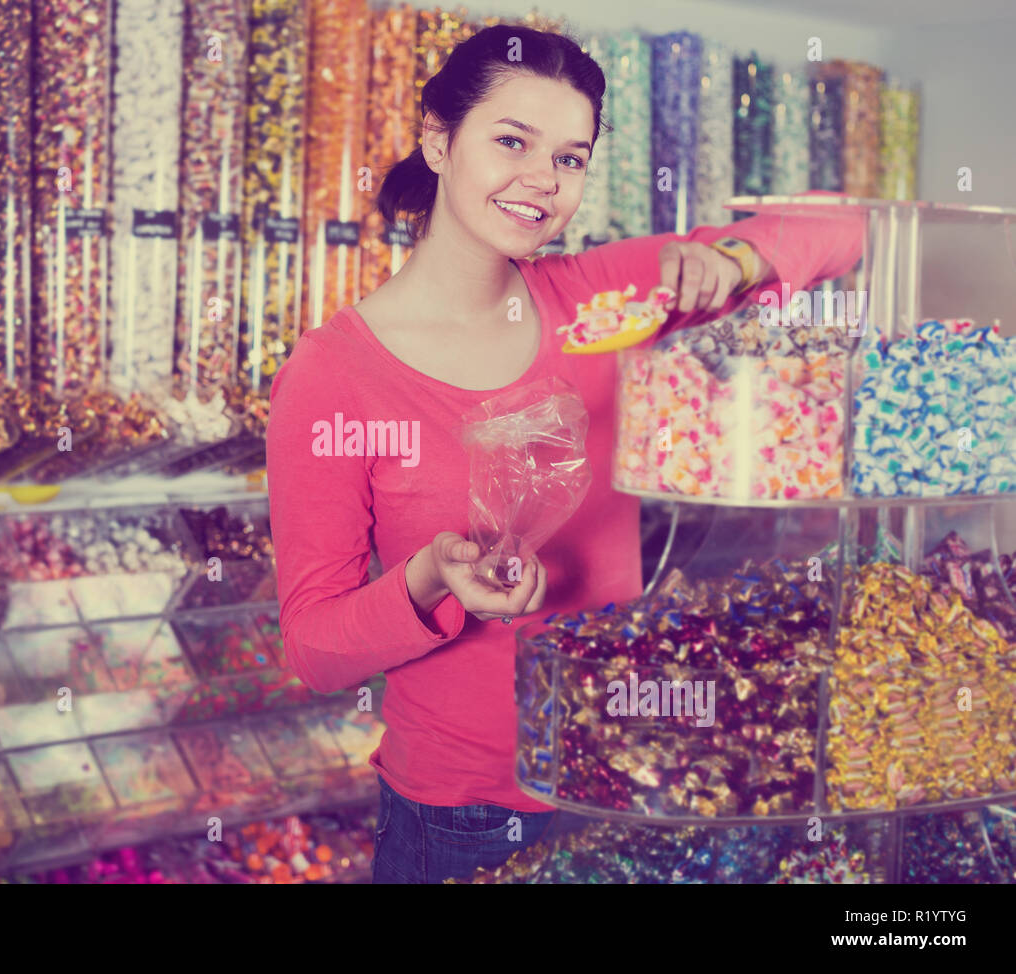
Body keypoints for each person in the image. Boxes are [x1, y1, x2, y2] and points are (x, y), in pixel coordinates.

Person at [265, 25, 862, 884]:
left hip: (627, 783)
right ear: (439, 138)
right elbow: (315, 650)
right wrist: (431, 578)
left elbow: (840, 229)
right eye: (511, 142)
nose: (543, 181)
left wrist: (733, 258)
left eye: (571, 158)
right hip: (461, 818)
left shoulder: (601, 301)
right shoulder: (331, 377)